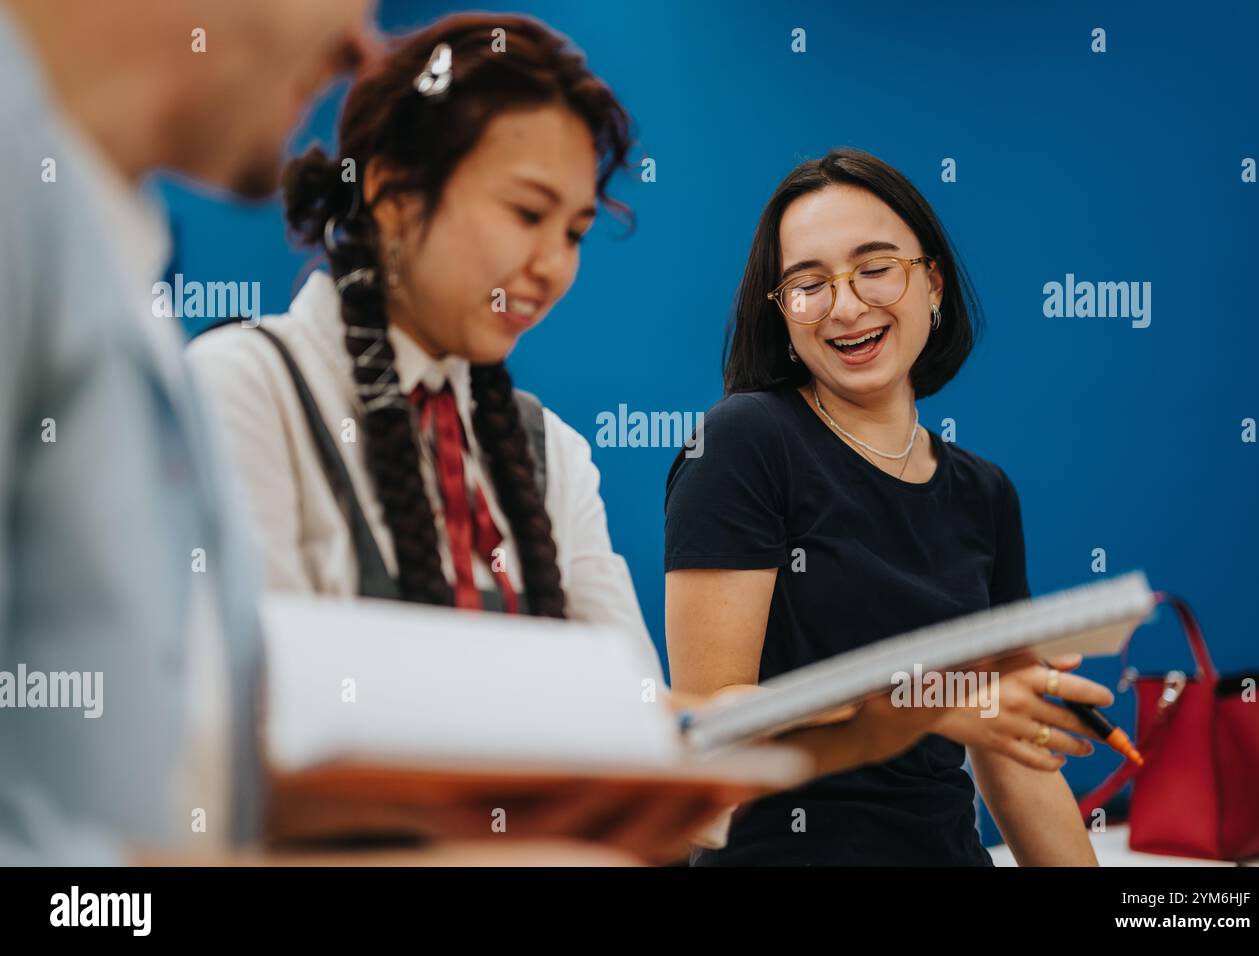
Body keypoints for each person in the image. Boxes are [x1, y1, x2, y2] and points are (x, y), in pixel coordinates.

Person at [187, 13, 730, 864]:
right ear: (395, 192)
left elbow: (635, 725)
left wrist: (840, 728)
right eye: (526, 212)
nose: (553, 263)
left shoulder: (552, 451)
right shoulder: (243, 385)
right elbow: (249, 746)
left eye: (576, 232)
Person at [664, 148, 1114, 866]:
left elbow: (1013, 758)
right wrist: (927, 699)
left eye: (876, 268)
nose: (846, 306)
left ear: (932, 283)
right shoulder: (743, 442)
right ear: (782, 314)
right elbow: (707, 727)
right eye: (807, 284)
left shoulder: (984, 492)